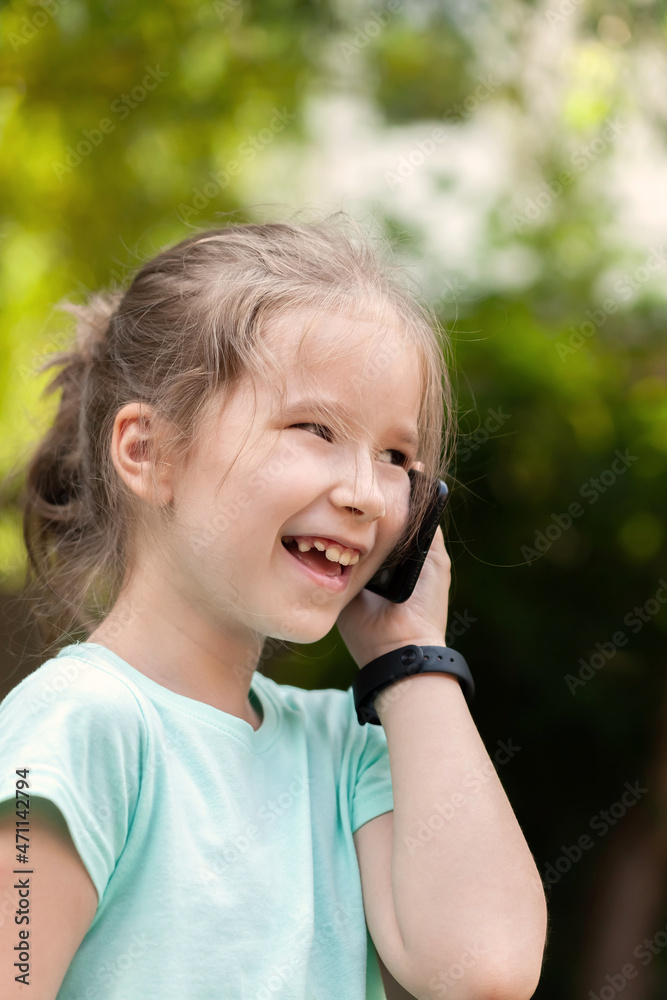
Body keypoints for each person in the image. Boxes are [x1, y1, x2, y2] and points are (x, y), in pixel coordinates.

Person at [0, 214, 547, 999]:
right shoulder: (76, 730)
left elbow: (485, 971)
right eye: (314, 429)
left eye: (395, 457)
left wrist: (409, 654)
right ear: (148, 453)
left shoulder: (345, 750)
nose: (365, 493)